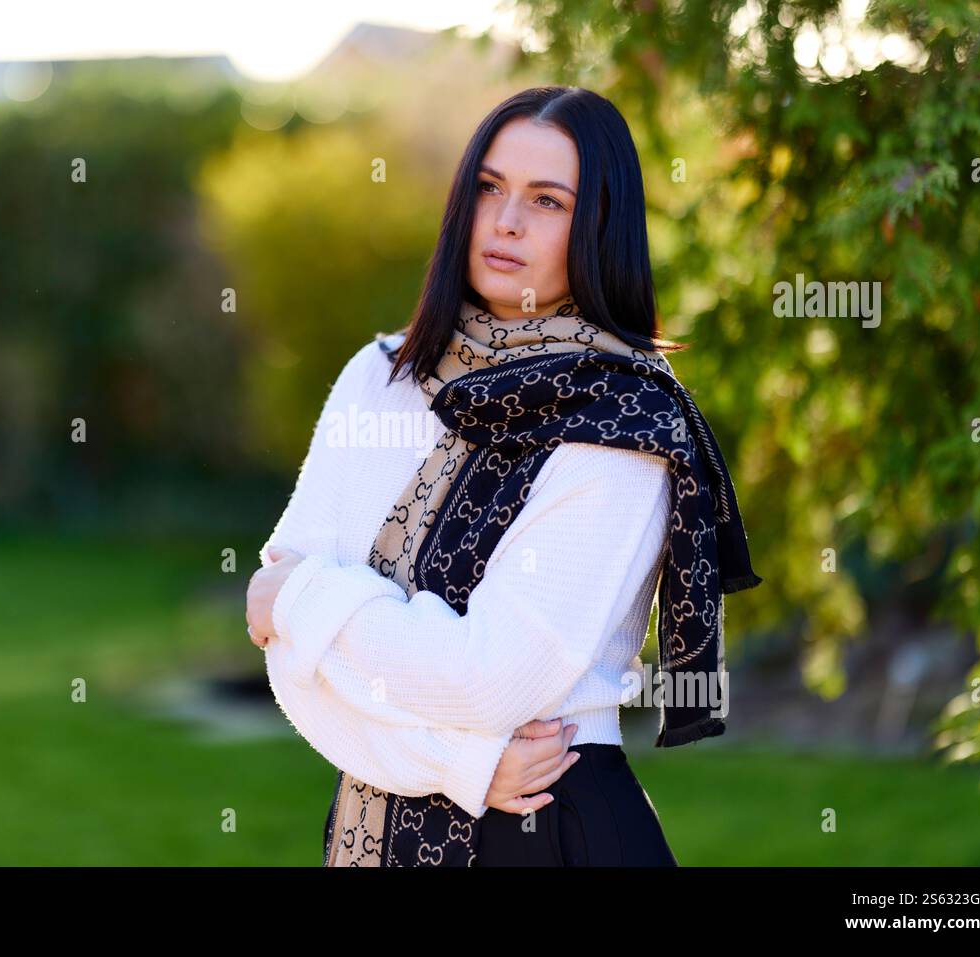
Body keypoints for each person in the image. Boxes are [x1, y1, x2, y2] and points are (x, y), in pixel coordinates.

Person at [247, 86, 690, 866]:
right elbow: (291, 665)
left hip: (547, 822)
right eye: (489, 187)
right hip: (371, 825)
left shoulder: (624, 419)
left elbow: (489, 680)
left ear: (598, 226)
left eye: (547, 201)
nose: (507, 220)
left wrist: (305, 597)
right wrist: (460, 766)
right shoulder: (381, 375)